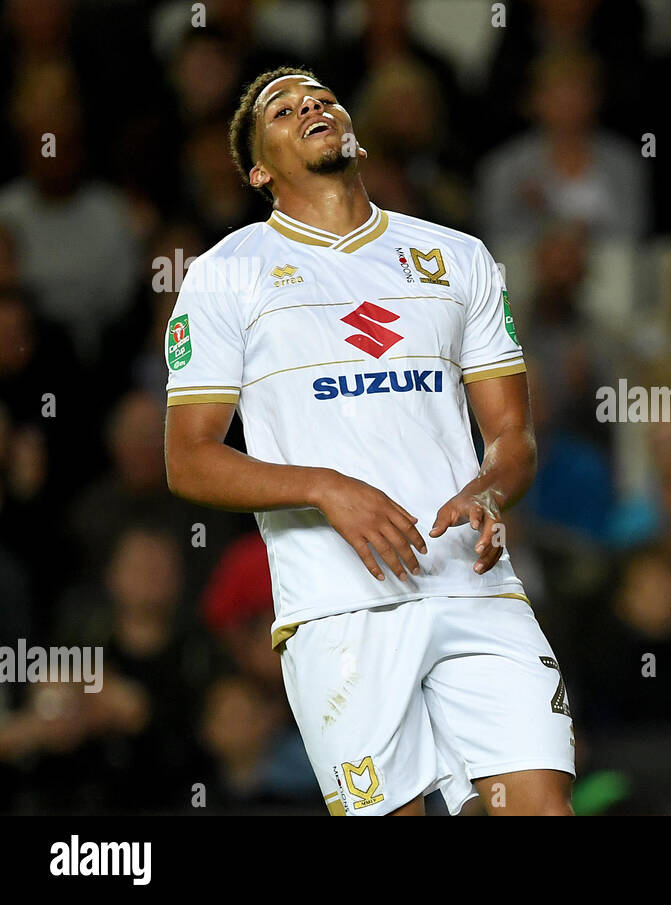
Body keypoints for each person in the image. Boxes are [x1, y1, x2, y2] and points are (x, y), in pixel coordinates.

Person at [162, 68, 575, 816]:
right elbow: (188, 458)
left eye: (320, 97)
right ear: (259, 169)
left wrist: (488, 489)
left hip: (473, 584)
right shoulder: (227, 274)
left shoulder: (458, 256)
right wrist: (324, 486)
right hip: (338, 604)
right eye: (283, 110)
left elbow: (514, 437)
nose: (310, 107)